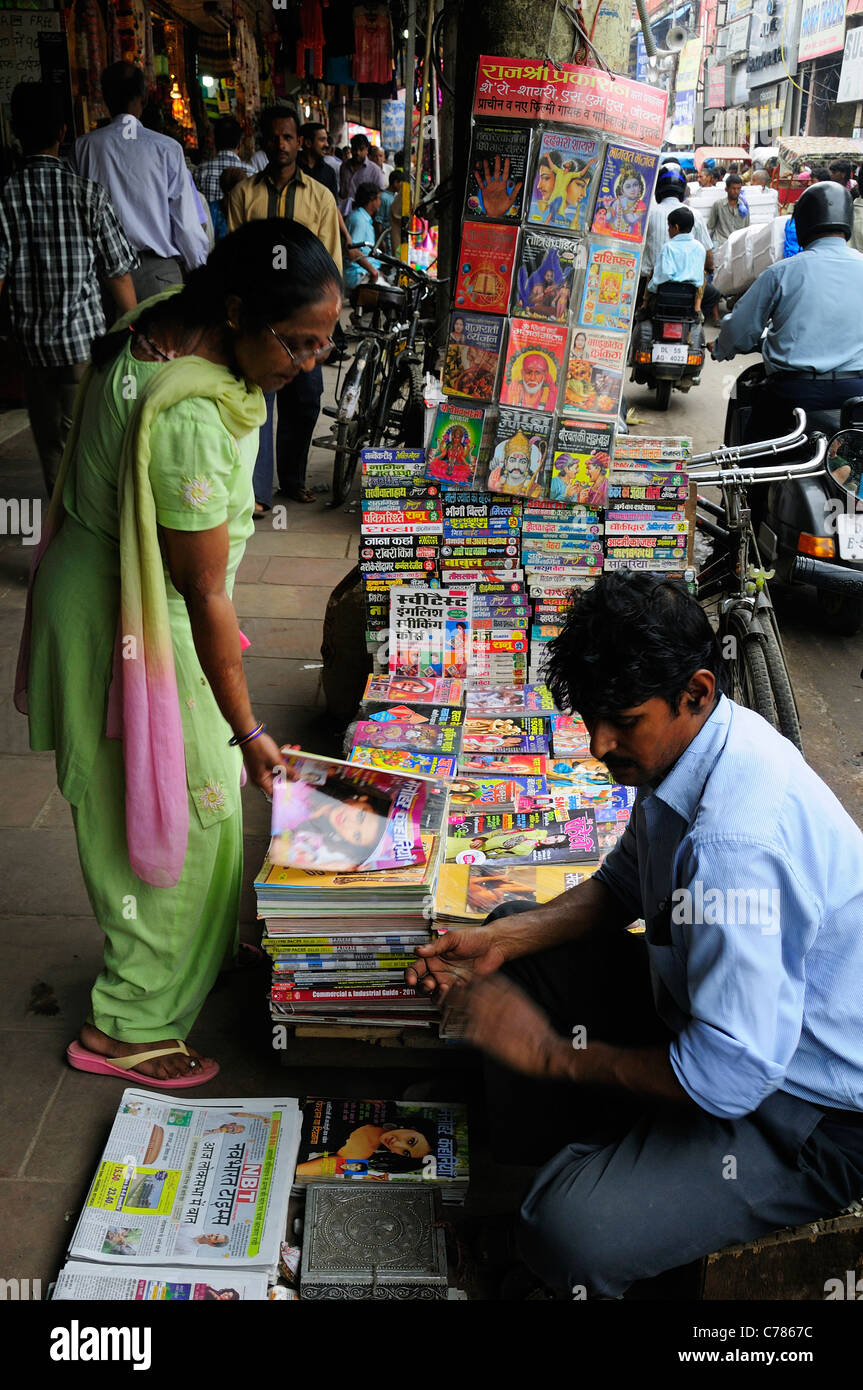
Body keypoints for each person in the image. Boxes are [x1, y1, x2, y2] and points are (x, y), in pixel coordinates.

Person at [407, 571, 863, 1298]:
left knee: (567, 1233)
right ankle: (583, 1164)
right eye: (590, 717)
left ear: (696, 692)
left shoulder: (732, 845)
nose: (597, 744)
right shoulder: (694, 750)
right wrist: (505, 944)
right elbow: (619, 886)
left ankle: (592, 1209)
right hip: (707, 1015)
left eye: (621, 720)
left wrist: (555, 1057)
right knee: (509, 945)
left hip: (809, 1112)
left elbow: (730, 1075)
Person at [15, 221, 342, 1087]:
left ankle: (181, 960)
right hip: (133, 625)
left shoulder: (165, 317)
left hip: (112, 597)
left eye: (323, 344)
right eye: (296, 343)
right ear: (235, 312)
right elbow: (202, 593)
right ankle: (129, 1024)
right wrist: (247, 729)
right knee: (178, 813)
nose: (308, 364)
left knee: (173, 808)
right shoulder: (193, 415)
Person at [0, 82, 137, 496]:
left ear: (15, 131)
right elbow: (118, 272)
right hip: (84, 345)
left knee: (51, 448)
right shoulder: (88, 194)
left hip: (32, 348)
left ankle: (59, 536)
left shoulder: (5, 196)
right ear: (64, 132)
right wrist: (133, 329)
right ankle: (87, 534)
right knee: (90, 445)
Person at [227, 106, 342, 508]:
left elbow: (332, 262)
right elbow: (233, 257)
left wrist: (327, 323)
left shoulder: (321, 198)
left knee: (306, 399)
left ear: (300, 142)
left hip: (305, 319)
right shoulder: (244, 195)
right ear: (263, 141)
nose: (281, 144)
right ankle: (257, 494)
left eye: (288, 137)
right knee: (259, 401)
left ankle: (292, 478)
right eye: (274, 137)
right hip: (260, 318)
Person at [712, 182, 863, 442]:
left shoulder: (781, 272)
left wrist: (721, 348)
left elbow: (739, 330)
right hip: (857, 393)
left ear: (802, 223)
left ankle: (754, 484)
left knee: (754, 460)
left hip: (793, 392)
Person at [73, 62, 208, 300]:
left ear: (105, 98)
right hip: (157, 276)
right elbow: (186, 224)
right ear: (144, 98)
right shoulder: (167, 149)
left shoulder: (84, 147)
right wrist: (201, 271)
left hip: (104, 279)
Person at [643, 206, 706, 313]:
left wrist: (652, 288)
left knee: (653, 272)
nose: (668, 230)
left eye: (669, 226)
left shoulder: (668, 247)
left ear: (676, 228)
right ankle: (697, 308)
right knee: (703, 275)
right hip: (690, 299)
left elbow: (664, 274)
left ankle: (643, 307)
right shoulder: (700, 248)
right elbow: (698, 278)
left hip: (666, 298)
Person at [194, 116, 253, 206]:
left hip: (209, 220)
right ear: (239, 145)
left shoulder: (200, 171)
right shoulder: (252, 172)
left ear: (215, 143)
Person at [344, 181, 383, 288]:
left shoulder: (363, 217)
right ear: (371, 200)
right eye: (378, 198)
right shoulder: (359, 220)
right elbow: (353, 250)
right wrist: (373, 272)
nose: (380, 202)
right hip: (359, 274)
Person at [339, 132, 385, 212]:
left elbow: (380, 195)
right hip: (344, 213)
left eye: (361, 149)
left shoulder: (375, 170)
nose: (357, 153)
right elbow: (342, 192)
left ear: (367, 150)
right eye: (355, 149)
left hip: (364, 215)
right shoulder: (344, 167)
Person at [707, 173, 750, 248]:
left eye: (738, 188)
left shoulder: (744, 206)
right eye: (733, 188)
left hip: (738, 243)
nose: (736, 191)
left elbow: (747, 227)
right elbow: (710, 226)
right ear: (726, 189)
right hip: (721, 242)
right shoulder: (718, 205)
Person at [376, 169, 402, 254]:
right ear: (395, 183)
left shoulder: (394, 196)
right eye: (400, 183)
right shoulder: (384, 198)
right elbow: (379, 221)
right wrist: (381, 241)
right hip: (386, 237)